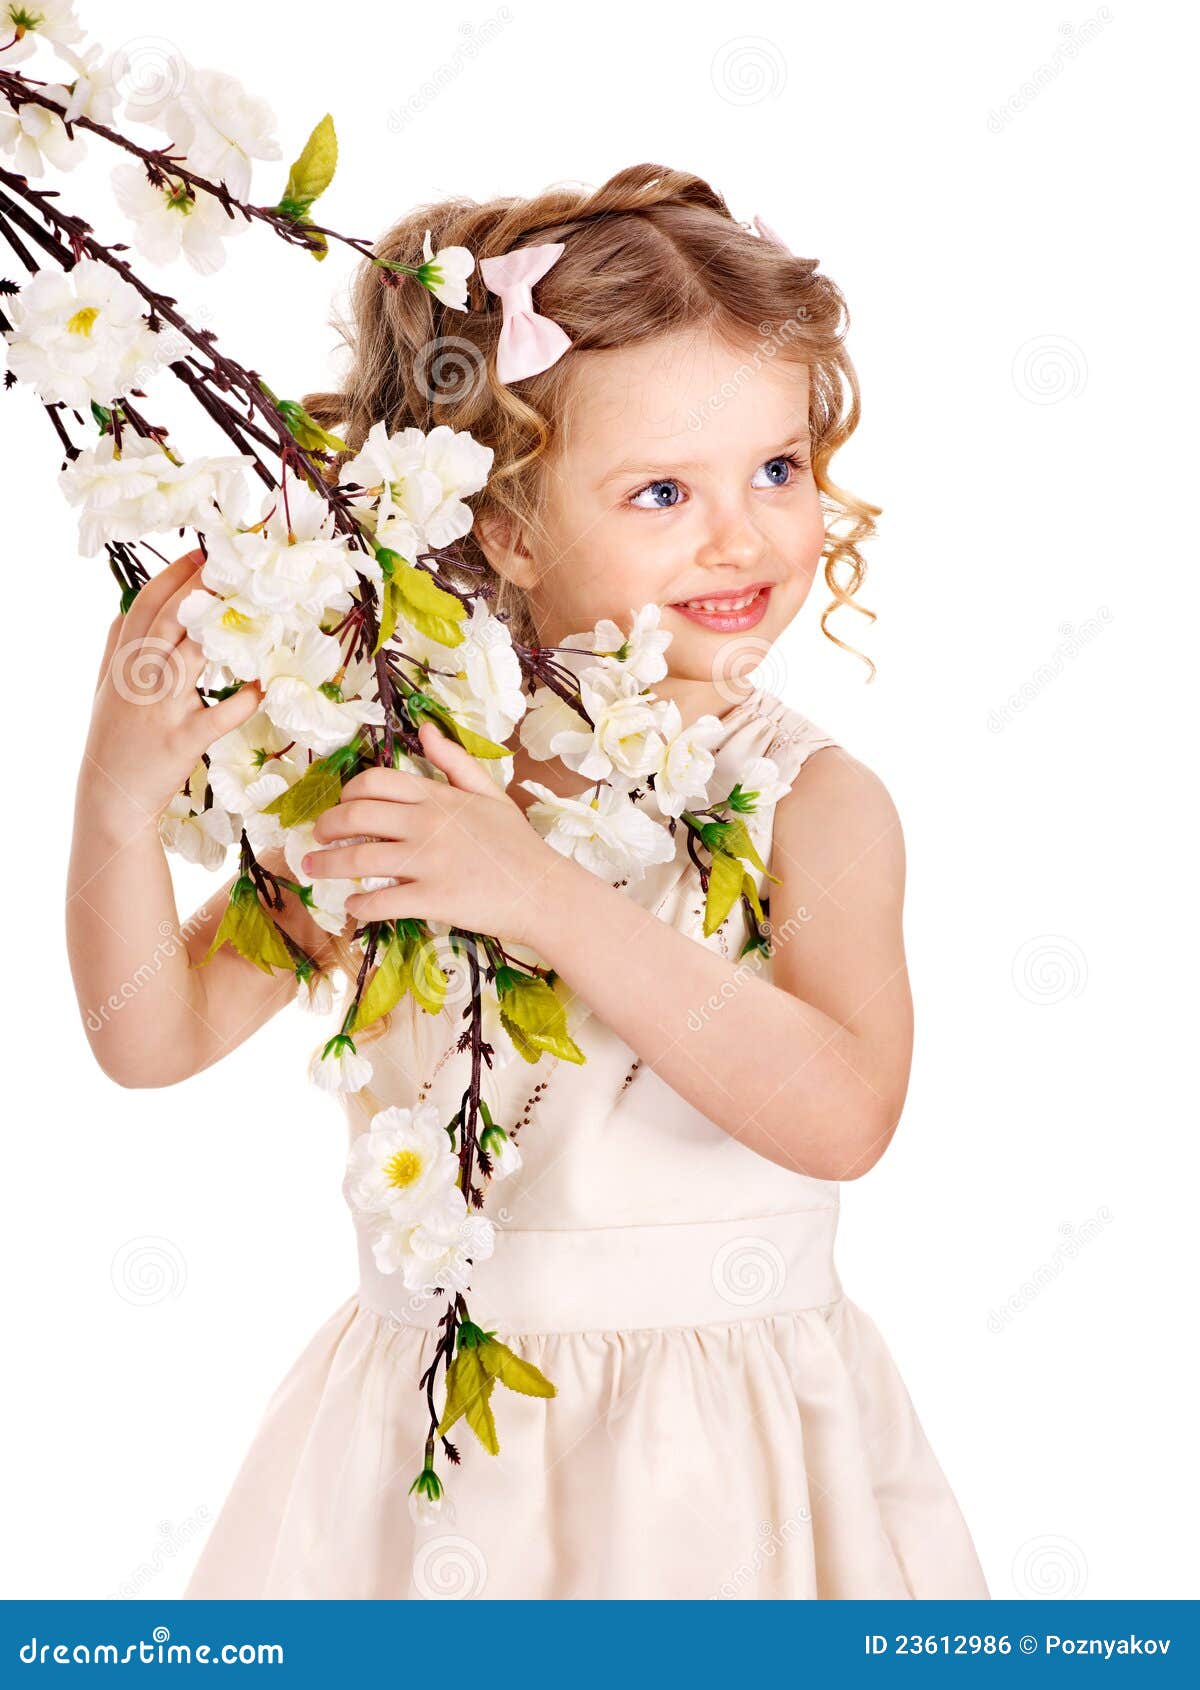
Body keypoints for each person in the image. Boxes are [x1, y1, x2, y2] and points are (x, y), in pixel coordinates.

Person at [66, 163, 990, 1600]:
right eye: (663, 491)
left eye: (779, 469)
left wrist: (547, 897)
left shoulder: (821, 808)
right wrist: (119, 807)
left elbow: (845, 1110)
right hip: (439, 1460)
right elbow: (151, 1032)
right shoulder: (407, 772)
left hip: (727, 1466)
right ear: (505, 524)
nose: (740, 534)